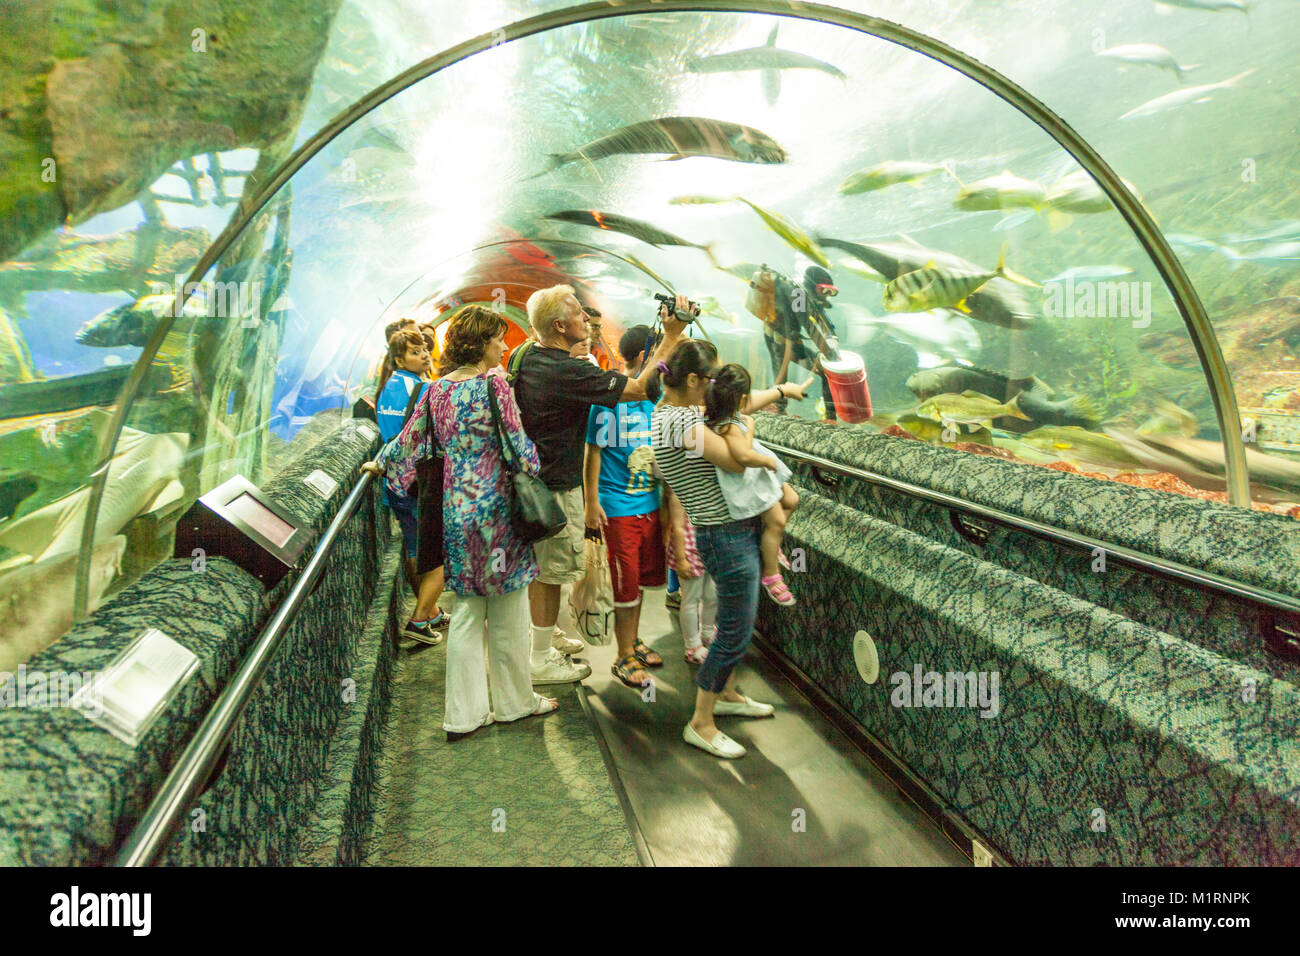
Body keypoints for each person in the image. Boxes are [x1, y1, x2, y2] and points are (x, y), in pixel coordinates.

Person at [368, 305, 557, 740]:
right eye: (498, 339)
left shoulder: (434, 391)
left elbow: (407, 442)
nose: (505, 345)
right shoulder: (495, 387)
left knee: (469, 612)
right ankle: (514, 703)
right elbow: (519, 450)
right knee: (509, 612)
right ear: (480, 344)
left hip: (456, 511)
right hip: (497, 514)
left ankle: (463, 715)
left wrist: (379, 464)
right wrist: (534, 460)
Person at [513, 285, 689, 684]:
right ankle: (540, 658)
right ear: (559, 325)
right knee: (553, 572)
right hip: (556, 487)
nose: (587, 320)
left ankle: (544, 641)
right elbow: (640, 388)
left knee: (545, 572)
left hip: (533, 482)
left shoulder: (530, 356)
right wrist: (673, 335)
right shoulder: (568, 371)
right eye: (578, 313)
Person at [650, 339, 812, 759]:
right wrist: (750, 431)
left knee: (734, 622)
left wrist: (781, 391)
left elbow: (732, 404)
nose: (719, 386)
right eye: (714, 378)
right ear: (693, 380)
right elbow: (735, 460)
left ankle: (728, 693)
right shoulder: (678, 424)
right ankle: (701, 722)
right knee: (735, 632)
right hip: (723, 534)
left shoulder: (682, 410)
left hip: (732, 530)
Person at [583, 324, 666, 689]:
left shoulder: (655, 399)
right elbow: (593, 452)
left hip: (650, 505)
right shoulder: (608, 399)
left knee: (641, 582)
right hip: (618, 508)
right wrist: (591, 502)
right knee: (624, 584)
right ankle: (622, 657)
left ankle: (631, 640)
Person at [704, 363, 800, 606]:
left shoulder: (729, 416)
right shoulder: (730, 425)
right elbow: (744, 456)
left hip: (758, 477)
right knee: (777, 521)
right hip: (751, 479)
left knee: (791, 500)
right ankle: (771, 575)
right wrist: (765, 457)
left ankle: (770, 542)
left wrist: (785, 390)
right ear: (739, 397)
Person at [374, 328, 447, 642]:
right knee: (441, 552)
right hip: (420, 481)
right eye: (416, 352)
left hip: (394, 480)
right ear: (399, 357)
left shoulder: (387, 387)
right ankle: (419, 620)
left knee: (414, 546)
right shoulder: (423, 389)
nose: (424, 356)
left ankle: (430, 612)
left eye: (425, 350)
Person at [764, 265, 841, 422]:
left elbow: (821, 320)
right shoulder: (797, 293)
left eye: (830, 292)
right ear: (813, 286)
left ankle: (830, 418)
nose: (827, 296)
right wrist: (829, 352)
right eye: (824, 291)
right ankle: (777, 414)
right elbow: (809, 324)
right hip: (778, 339)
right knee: (780, 378)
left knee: (827, 372)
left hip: (791, 340)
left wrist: (832, 342)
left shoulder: (806, 296)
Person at [661, 486, 716, 664]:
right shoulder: (680, 492)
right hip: (689, 552)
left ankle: (707, 632)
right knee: (691, 599)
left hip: (709, 550)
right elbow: (678, 527)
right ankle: (692, 645)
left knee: (712, 595)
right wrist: (681, 559)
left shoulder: (708, 487)